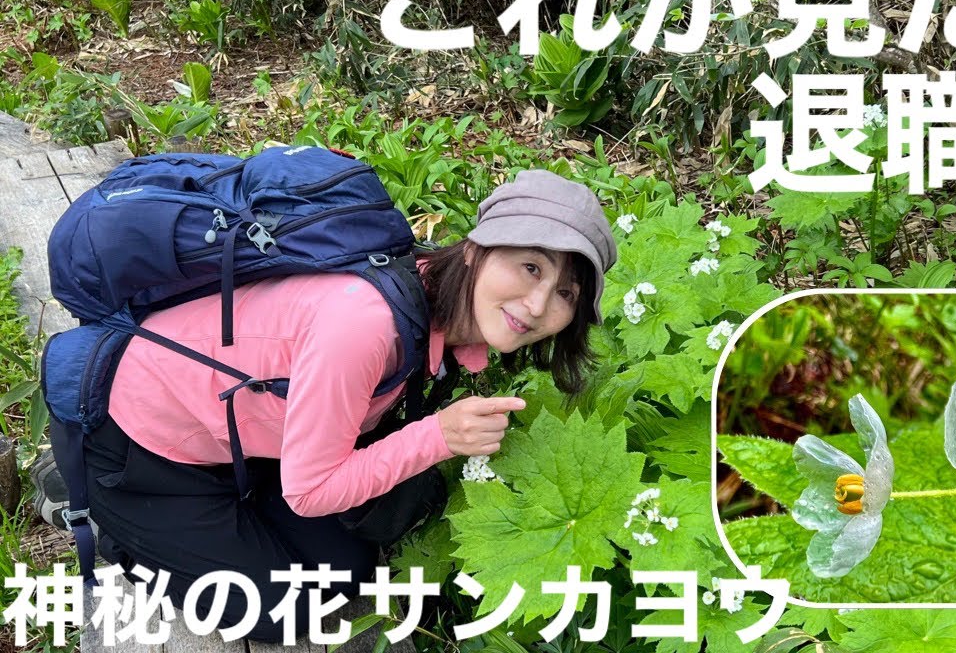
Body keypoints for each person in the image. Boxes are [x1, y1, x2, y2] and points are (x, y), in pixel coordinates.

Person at [33, 168, 617, 641]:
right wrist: (438, 436)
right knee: (275, 611)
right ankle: (98, 508)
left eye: (565, 292)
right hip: (137, 442)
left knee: (348, 569)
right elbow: (310, 492)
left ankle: (205, 522)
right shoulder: (365, 323)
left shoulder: (429, 298)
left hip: (241, 443)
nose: (537, 304)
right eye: (530, 267)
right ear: (474, 251)